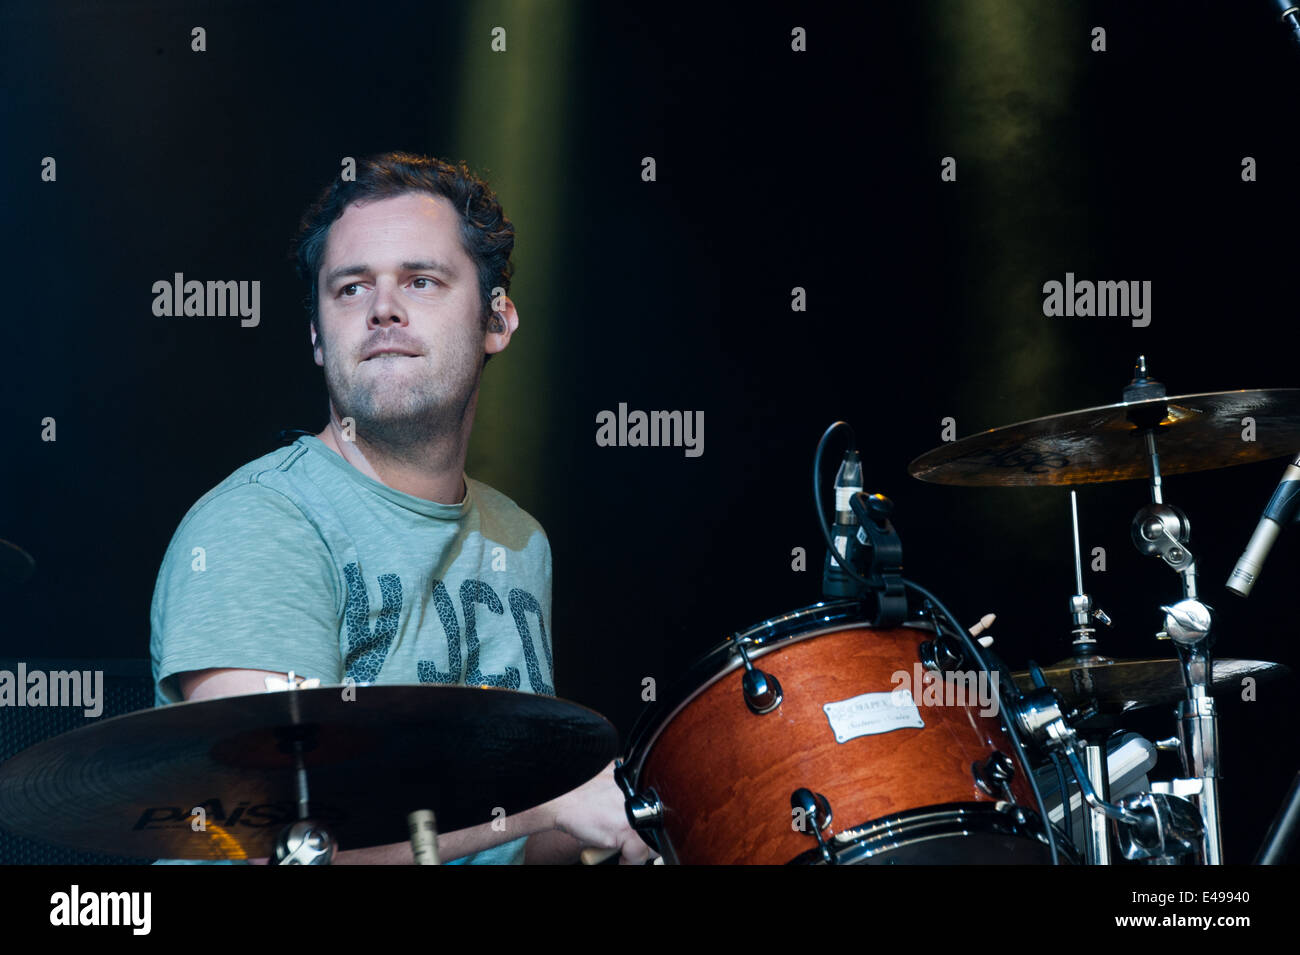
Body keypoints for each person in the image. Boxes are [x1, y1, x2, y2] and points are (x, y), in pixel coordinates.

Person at [149, 151, 652, 865]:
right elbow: (277, 852)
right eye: (351, 288)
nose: (383, 307)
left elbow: (507, 851)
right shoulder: (259, 525)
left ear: (497, 320)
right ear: (319, 338)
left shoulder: (518, 539)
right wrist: (546, 805)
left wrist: (619, 820)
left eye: (421, 280)